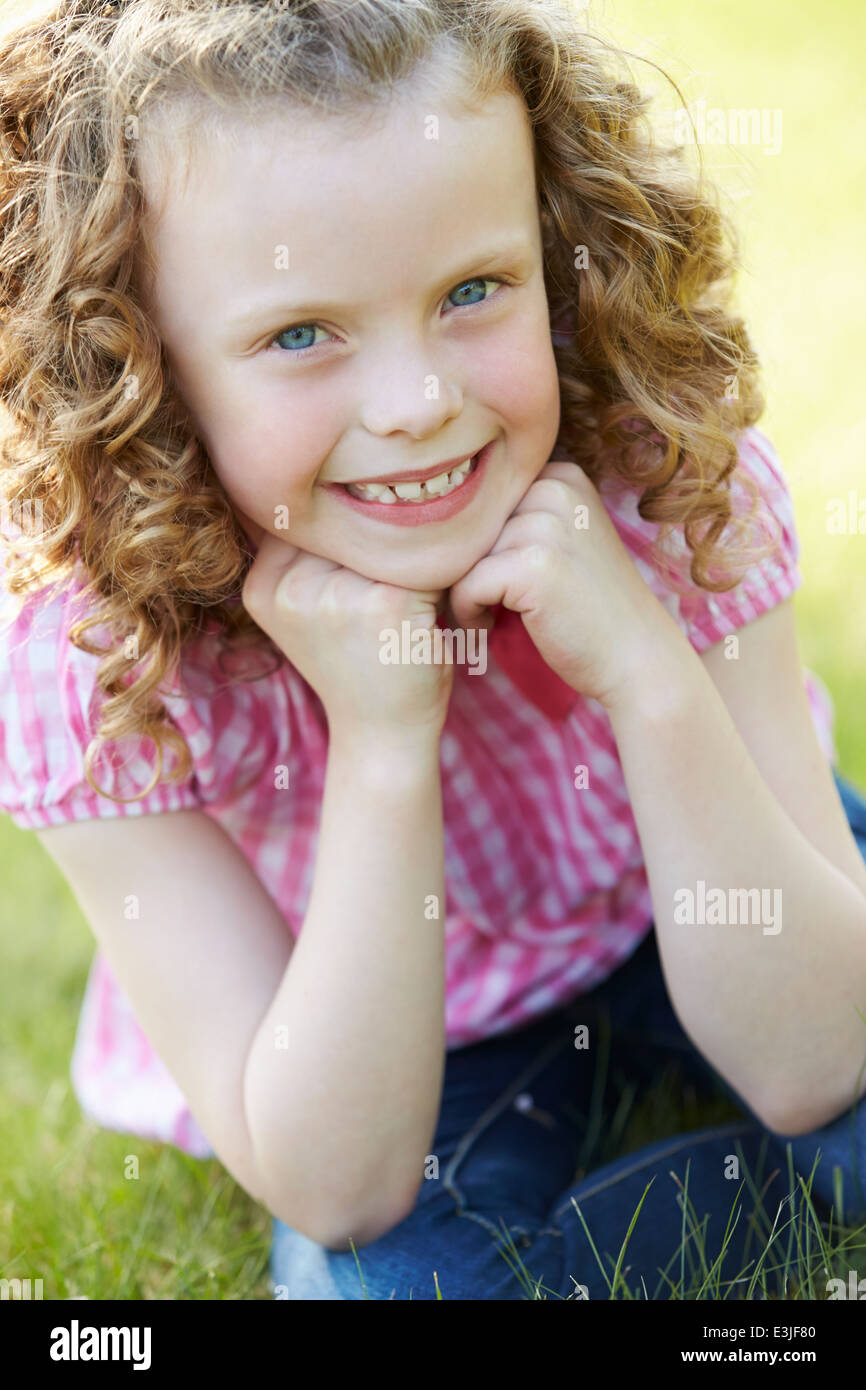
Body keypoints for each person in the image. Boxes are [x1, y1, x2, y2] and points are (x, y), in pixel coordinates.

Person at [1, 0, 864, 1301]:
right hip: (388, 1013)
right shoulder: (99, 658)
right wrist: (384, 736)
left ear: (556, 250)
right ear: (139, 364)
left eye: (473, 291)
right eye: (301, 333)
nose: (418, 405)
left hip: (699, 866)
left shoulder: (659, 482)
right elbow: (337, 1181)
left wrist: (644, 667)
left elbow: (814, 1057)